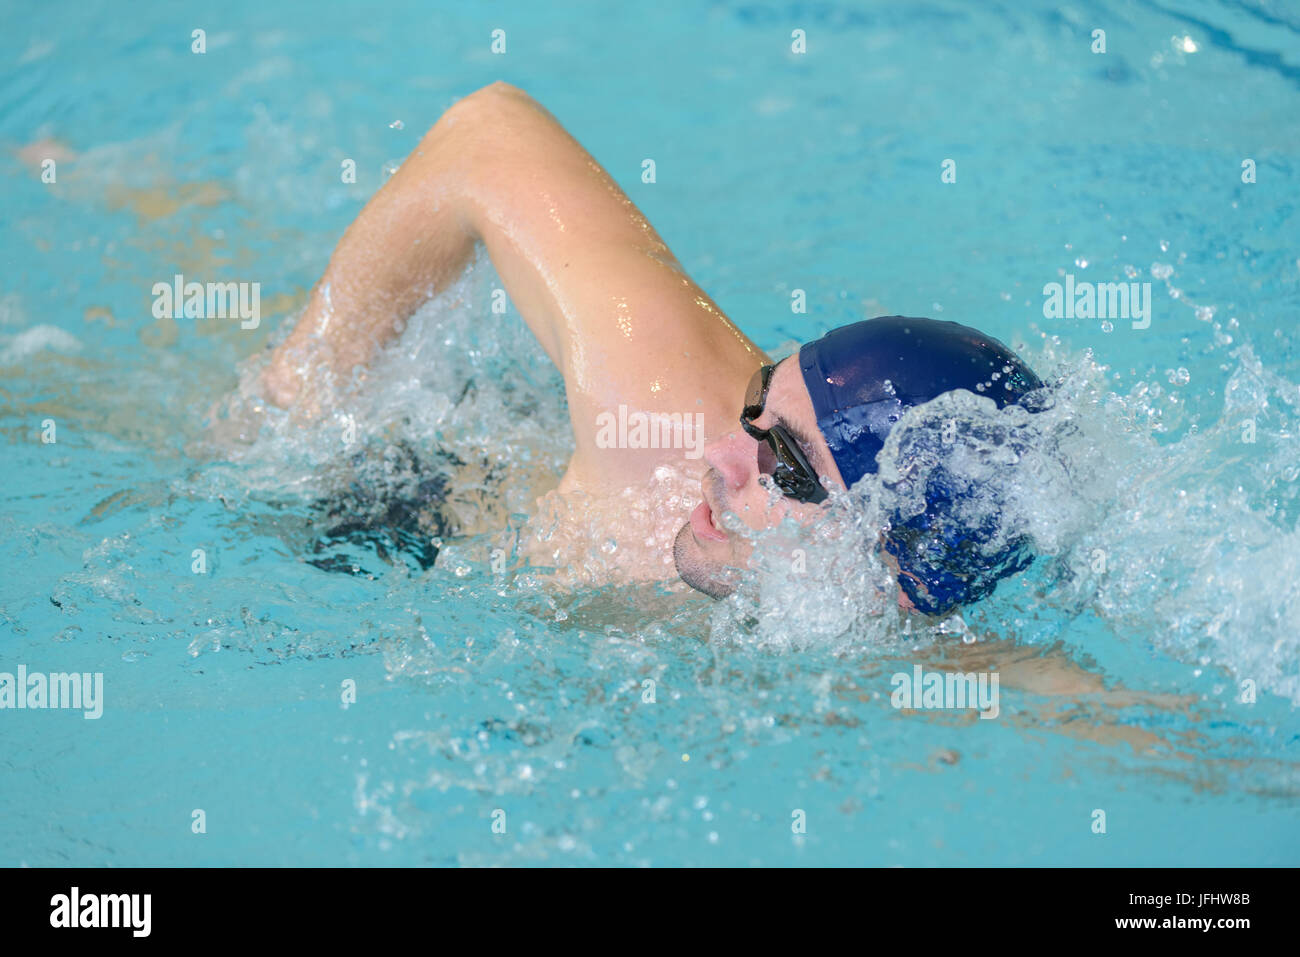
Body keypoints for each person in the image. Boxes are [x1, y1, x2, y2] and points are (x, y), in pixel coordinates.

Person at [261, 82, 1043, 614]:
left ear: (899, 583)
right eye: (757, 406)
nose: (718, 454)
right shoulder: (660, 408)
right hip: (378, 510)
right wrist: (302, 392)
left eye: (791, 469)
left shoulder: (902, 662)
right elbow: (485, 132)